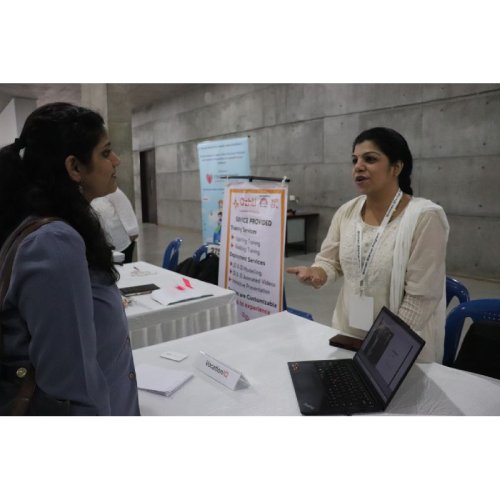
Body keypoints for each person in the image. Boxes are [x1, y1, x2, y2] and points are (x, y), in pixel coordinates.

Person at [0, 102, 140, 415]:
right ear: (74, 167)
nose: (116, 161)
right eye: (105, 153)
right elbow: (68, 385)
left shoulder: (57, 228)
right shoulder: (55, 243)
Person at [287, 127, 449, 363]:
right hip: (346, 336)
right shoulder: (347, 211)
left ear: (396, 167)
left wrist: (381, 349)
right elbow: (329, 261)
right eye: (355, 160)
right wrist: (318, 272)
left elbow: (421, 299)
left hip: (399, 348)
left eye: (370, 159)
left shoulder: (425, 217)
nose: (358, 167)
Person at [91, 187, 139, 263]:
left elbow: (133, 228)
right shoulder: (88, 195)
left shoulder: (114, 192)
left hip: (122, 245)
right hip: (100, 247)